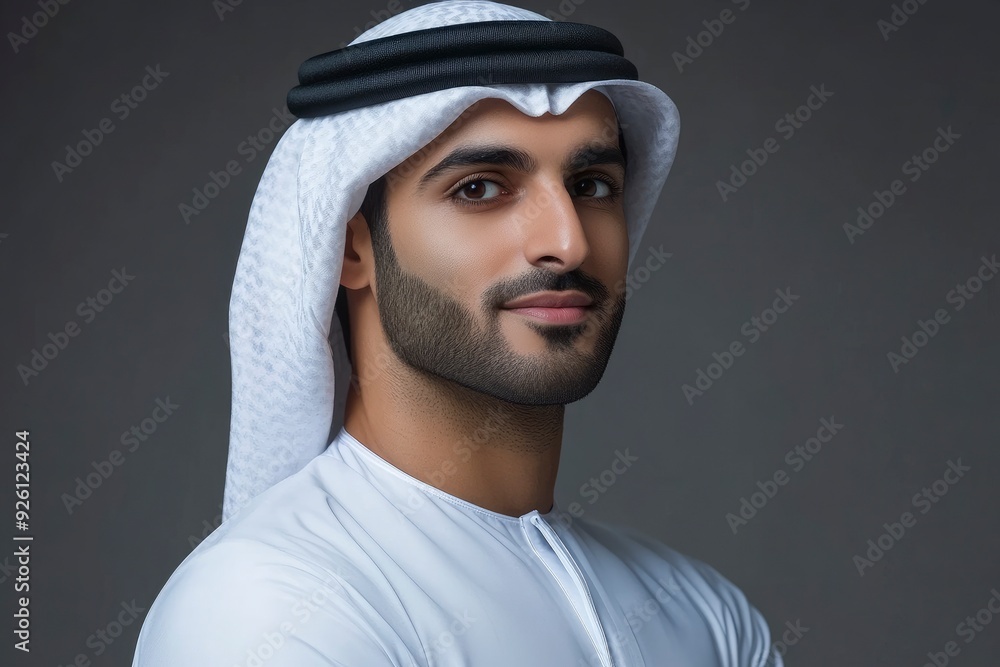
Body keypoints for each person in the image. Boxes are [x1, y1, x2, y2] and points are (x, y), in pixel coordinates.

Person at [132, 1, 782, 665]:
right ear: (349, 246)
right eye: (479, 189)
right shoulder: (266, 612)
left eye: (590, 184)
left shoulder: (704, 613)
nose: (567, 240)